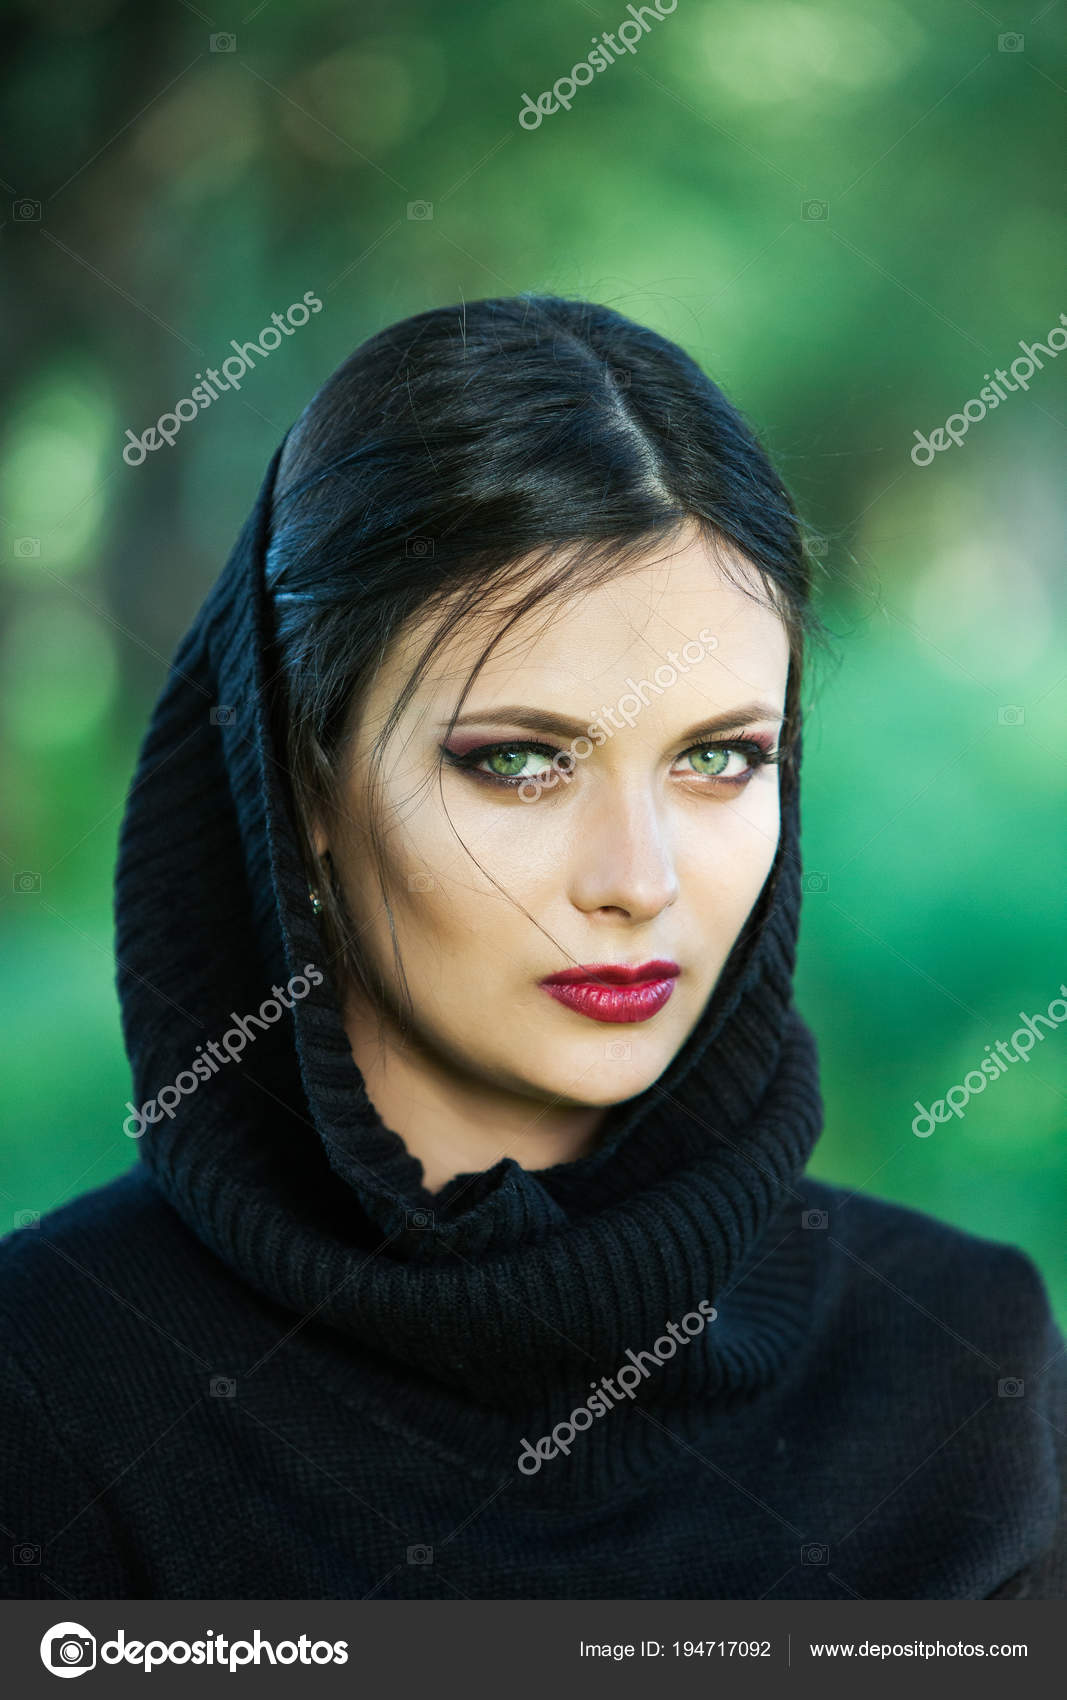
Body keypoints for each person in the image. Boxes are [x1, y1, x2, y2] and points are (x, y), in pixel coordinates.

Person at [1, 295, 1063, 1600]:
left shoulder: (964, 1356)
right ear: (303, 782)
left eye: (721, 759)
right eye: (518, 762)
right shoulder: (50, 1380)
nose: (638, 880)